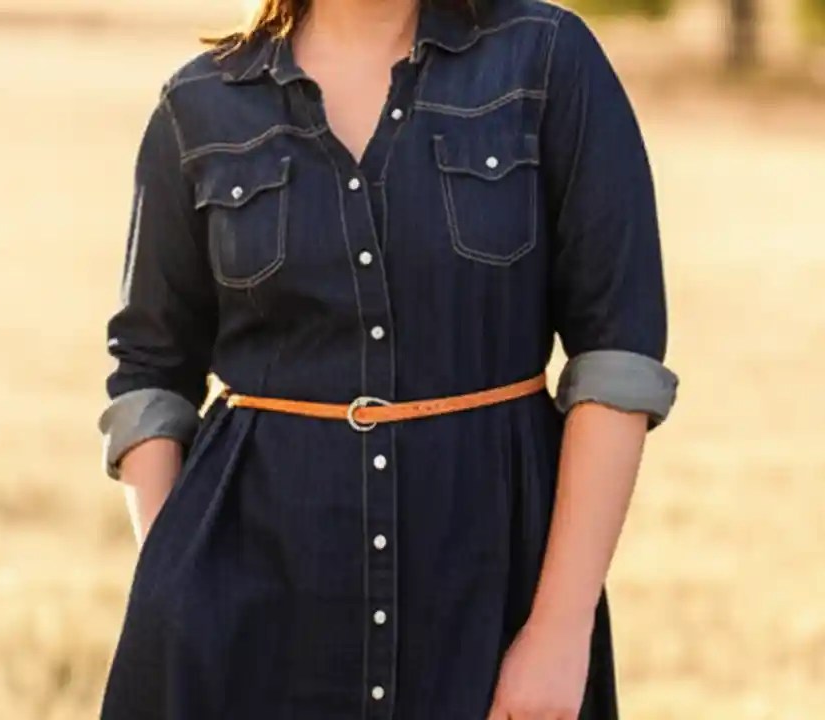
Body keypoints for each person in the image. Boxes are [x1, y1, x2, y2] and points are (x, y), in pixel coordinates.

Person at [96, 0, 679, 717]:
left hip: (485, 595)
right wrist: (181, 591)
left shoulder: (547, 60)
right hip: (249, 618)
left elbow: (617, 353)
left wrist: (561, 627)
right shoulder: (200, 106)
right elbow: (151, 372)